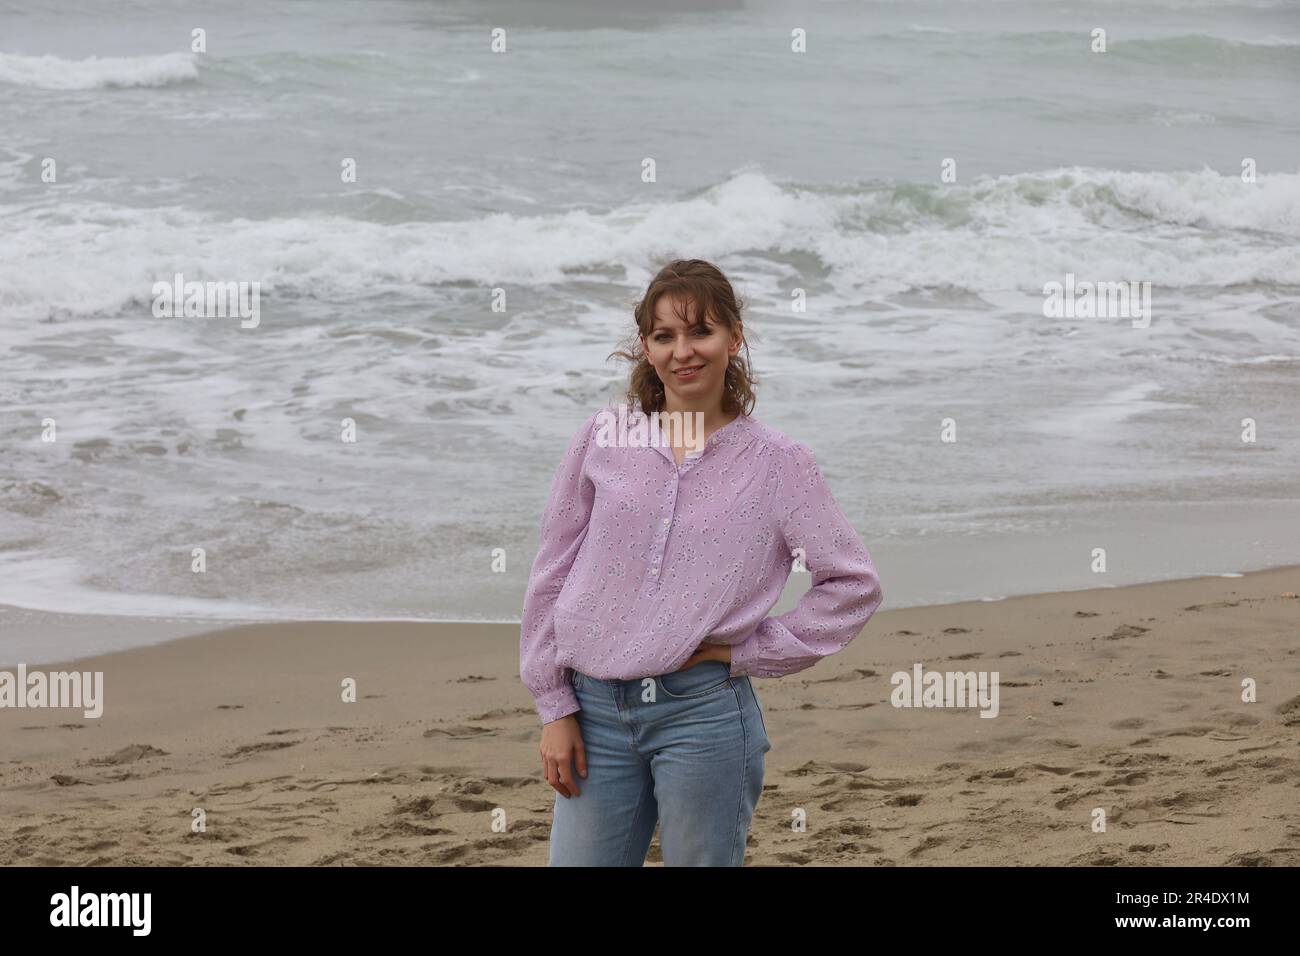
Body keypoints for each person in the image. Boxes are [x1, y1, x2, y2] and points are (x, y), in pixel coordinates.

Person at [519, 258, 884, 866]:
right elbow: (550, 571)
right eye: (664, 336)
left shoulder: (779, 463)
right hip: (595, 716)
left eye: (701, 332)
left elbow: (851, 583)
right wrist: (554, 706)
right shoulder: (603, 437)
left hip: (704, 717)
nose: (682, 352)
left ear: (733, 338)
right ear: (646, 346)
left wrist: (752, 650)